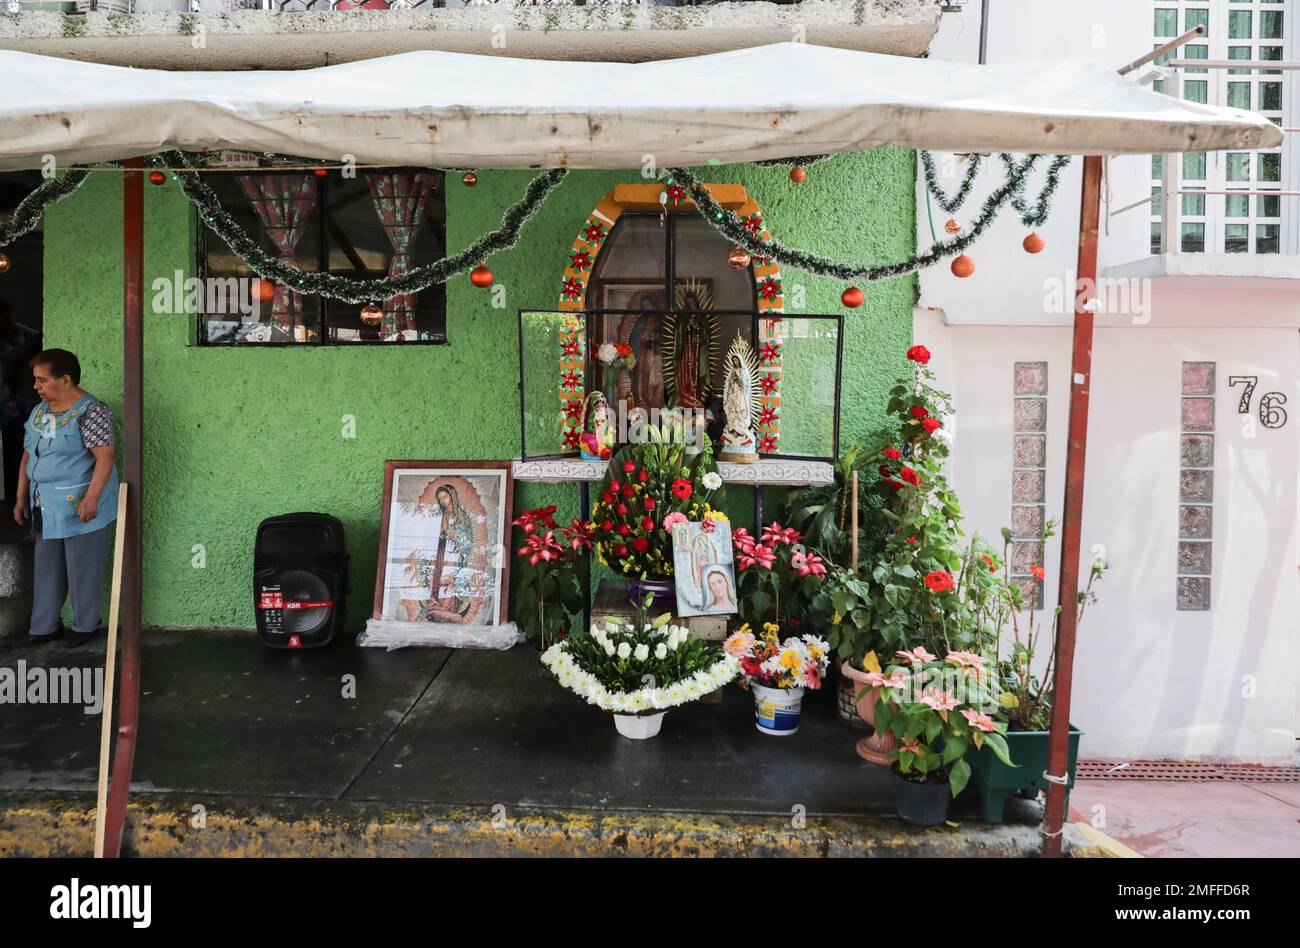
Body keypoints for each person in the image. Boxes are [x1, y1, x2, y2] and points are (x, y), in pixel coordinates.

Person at [12, 349, 119, 648]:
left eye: (42, 381)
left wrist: (92, 498)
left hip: (80, 502)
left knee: (83, 564)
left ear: (66, 379)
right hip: (44, 502)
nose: (36, 387)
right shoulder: (40, 411)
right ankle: (44, 626)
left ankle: (86, 626)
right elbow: (27, 455)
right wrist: (21, 496)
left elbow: (105, 457)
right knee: (47, 564)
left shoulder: (92, 412)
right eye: (36, 381)